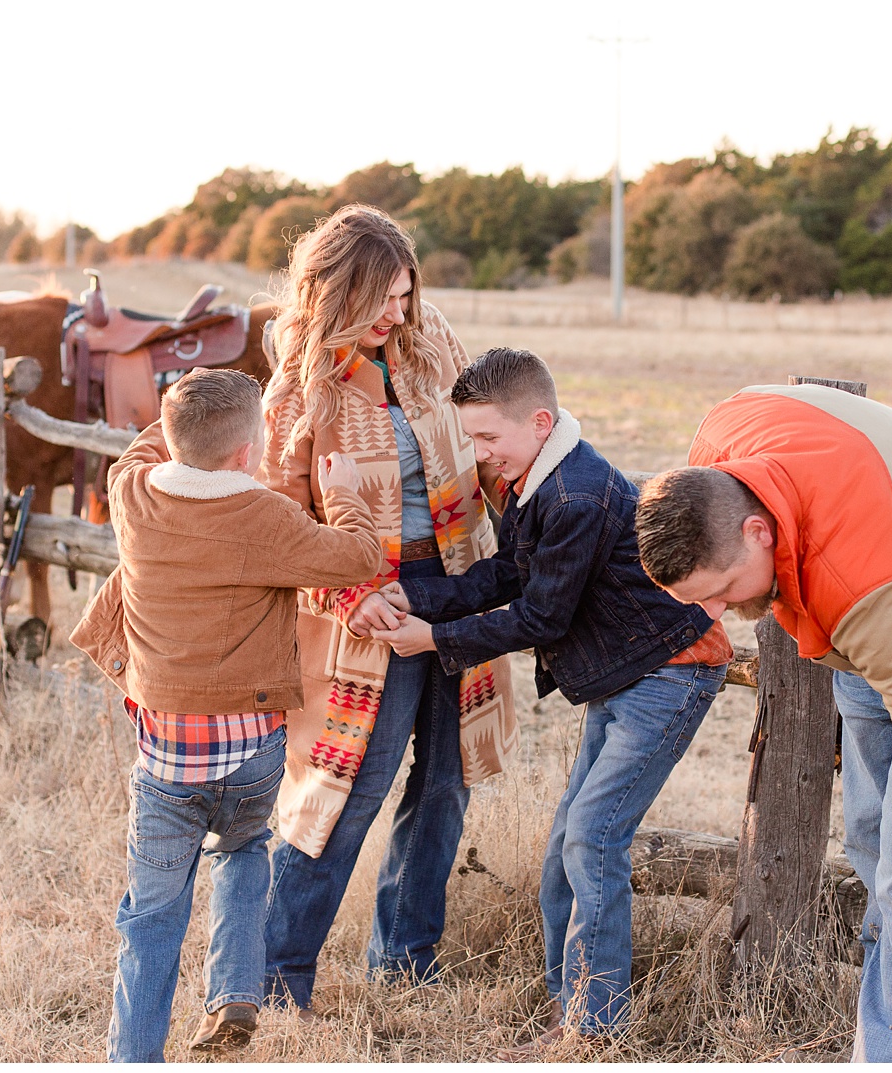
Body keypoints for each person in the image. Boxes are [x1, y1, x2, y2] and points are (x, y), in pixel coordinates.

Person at [633, 383, 892, 1063]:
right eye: (696, 600)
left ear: (757, 529)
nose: (714, 614)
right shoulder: (720, 446)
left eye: (720, 589)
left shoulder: (876, 587)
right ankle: (885, 1021)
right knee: (873, 838)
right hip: (867, 601)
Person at [371, 348, 730, 1049]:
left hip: (670, 672)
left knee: (595, 836)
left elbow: (540, 618)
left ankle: (594, 1032)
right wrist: (414, 594)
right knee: (570, 842)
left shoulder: (577, 495)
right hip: (621, 673)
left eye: (486, 438)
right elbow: (506, 572)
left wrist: (433, 639)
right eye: (471, 438)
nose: (478, 453)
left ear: (539, 421)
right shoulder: (531, 480)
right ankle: (572, 1007)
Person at [69, 368, 382, 1061]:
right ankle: (236, 987)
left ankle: (134, 1057)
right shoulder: (267, 516)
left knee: (149, 918)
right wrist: (347, 495)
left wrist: (179, 415)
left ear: (170, 435)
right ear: (252, 448)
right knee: (244, 849)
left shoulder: (132, 494)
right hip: (251, 755)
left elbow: (139, 453)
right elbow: (359, 556)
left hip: (165, 760)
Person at [257, 205, 519, 1011]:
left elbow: (490, 438)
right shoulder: (299, 390)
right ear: (338, 290)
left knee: (447, 778)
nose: (397, 313)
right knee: (348, 788)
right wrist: (348, 593)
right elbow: (277, 526)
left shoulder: (431, 338)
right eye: (383, 298)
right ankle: (277, 976)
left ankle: (404, 955)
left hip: (461, 581)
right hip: (364, 606)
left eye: (406, 294)